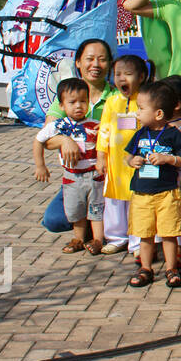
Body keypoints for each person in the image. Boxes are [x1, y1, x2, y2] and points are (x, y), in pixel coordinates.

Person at [40, 38, 120, 235]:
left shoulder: (117, 98)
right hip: (77, 177)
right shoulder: (67, 97)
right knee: (54, 221)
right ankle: (88, 222)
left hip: (109, 178)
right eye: (89, 59)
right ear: (77, 62)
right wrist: (64, 139)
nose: (95, 65)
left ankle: (96, 225)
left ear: (109, 63)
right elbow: (47, 139)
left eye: (102, 59)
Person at [125, 81, 181, 288]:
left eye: (141, 109)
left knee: (169, 233)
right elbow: (129, 156)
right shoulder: (140, 134)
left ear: (159, 114)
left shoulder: (173, 134)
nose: (137, 113)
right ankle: (145, 268)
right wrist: (132, 161)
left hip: (167, 193)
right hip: (142, 193)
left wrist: (167, 159)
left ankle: (172, 268)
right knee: (145, 233)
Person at [34, 78, 106, 254]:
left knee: (96, 209)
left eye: (83, 101)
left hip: (94, 175)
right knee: (76, 209)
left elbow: (105, 145)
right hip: (72, 176)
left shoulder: (95, 126)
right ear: (61, 105)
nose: (78, 106)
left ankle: (98, 240)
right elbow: (38, 140)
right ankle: (79, 239)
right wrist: (40, 166)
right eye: (72, 102)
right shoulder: (58, 126)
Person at [96, 54, 150, 255]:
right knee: (114, 200)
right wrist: (101, 156)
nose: (121, 79)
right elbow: (104, 129)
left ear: (142, 76)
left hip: (137, 160)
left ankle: (137, 243)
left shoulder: (145, 101)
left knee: (137, 200)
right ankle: (117, 237)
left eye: (128, 74)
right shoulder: (111, 102)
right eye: (117, 74)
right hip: (115, 162)